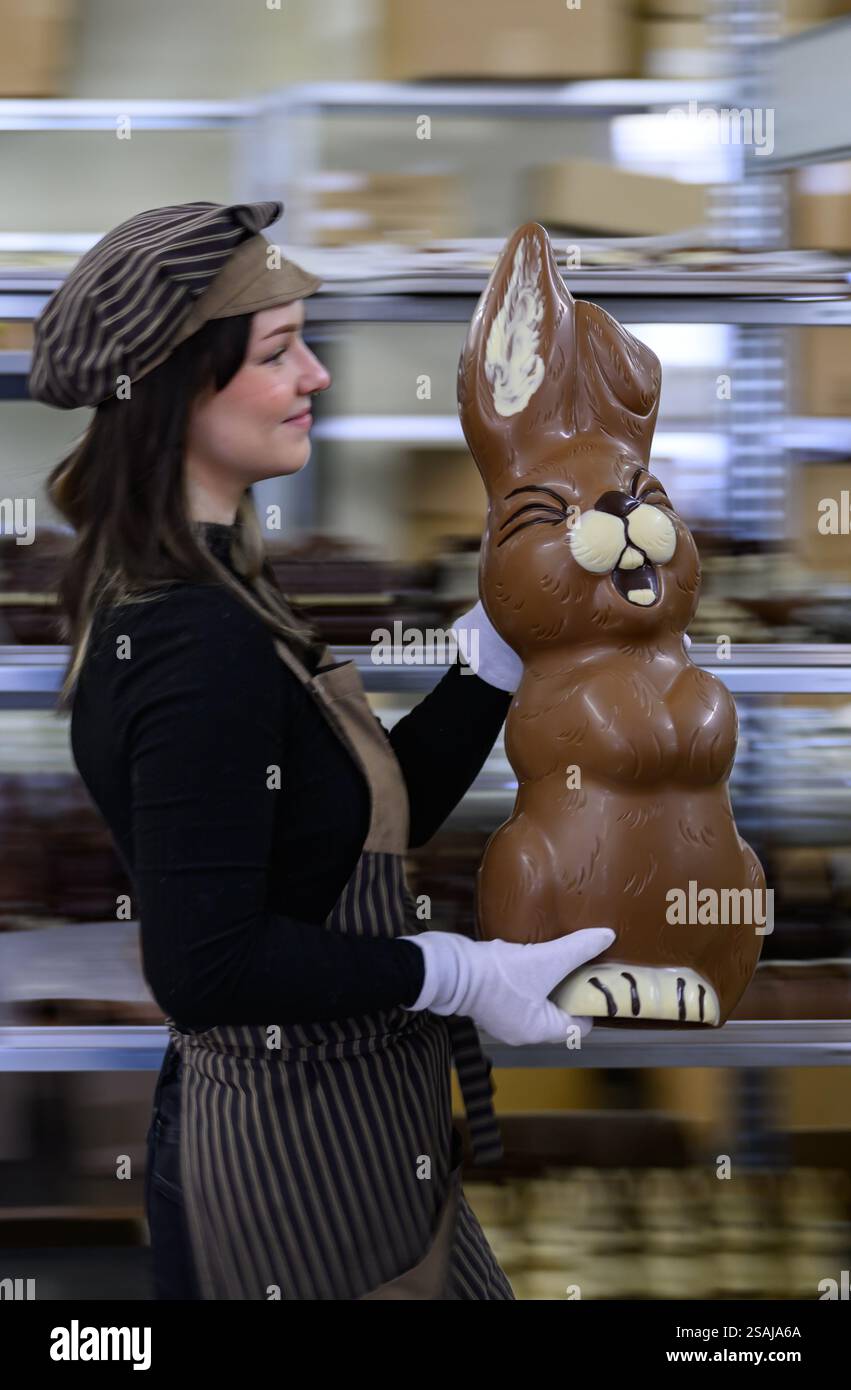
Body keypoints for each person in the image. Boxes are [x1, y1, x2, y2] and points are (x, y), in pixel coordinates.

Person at [29, 200, 614, 1301]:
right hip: (288, 1167)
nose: (317, 376)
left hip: (345, 1123)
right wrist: (457, 970)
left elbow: (337, 836)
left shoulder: (217, 588)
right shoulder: (190, 636)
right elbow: (205, 970)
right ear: (172, 392)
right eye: (277, 350)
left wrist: (493, 653)